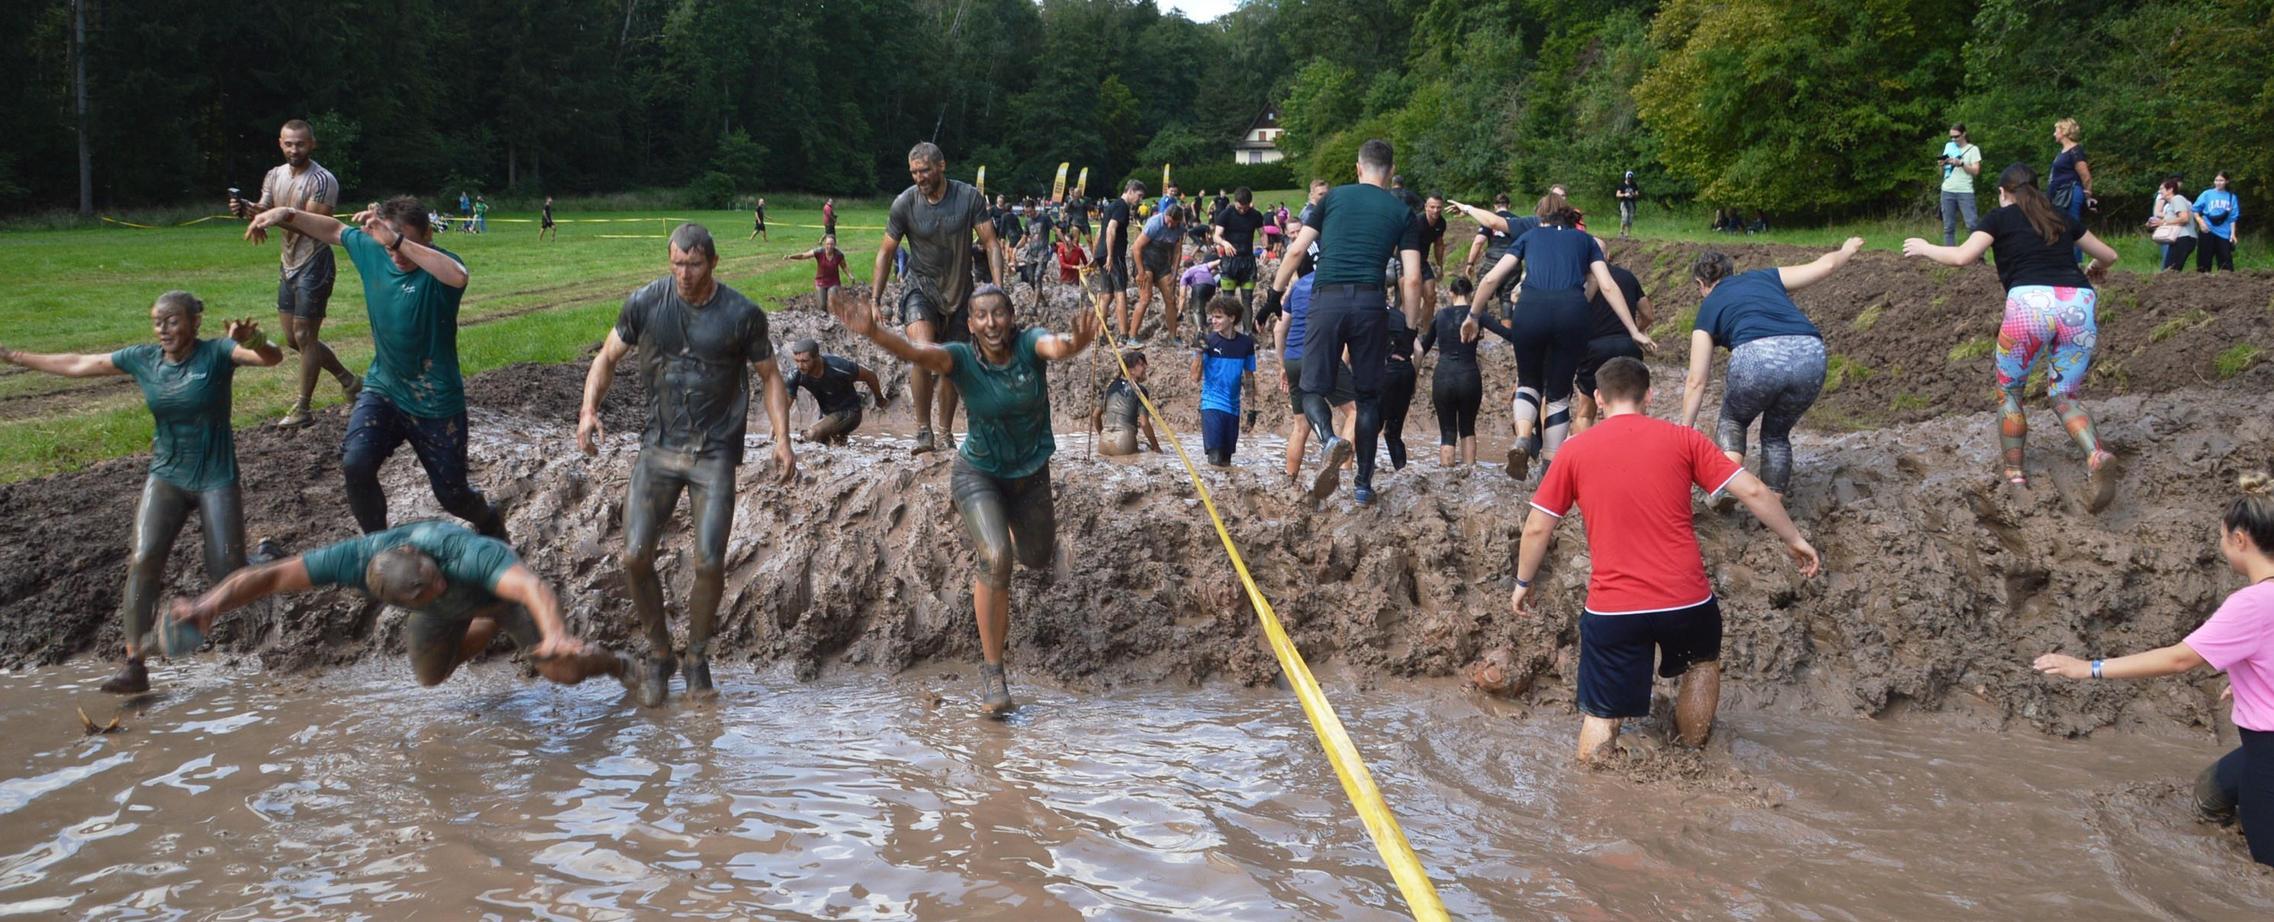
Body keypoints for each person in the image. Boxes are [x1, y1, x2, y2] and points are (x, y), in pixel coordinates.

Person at [1510, 357, 1821, 761]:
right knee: (1701, 665)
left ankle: (1595, 796)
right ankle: (1693, 757)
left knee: (1603, 714)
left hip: (1613, 608)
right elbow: (1755, 492)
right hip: (1686, 600)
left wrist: (1522, 583)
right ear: (1650, 396)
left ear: (1599, 399)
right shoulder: (1684, 439)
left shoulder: (1574, 450)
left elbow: (1537, 527)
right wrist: (1794, 538)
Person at [831, 284, 1097, 716]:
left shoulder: (1029, 346)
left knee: (1036, 556)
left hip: (1030, 476)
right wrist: (874, 332)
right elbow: (917, 353)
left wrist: (1076, 344)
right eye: (981, 316)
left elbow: (1055, 345)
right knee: (996, 557)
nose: (991, 324)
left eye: (999, 314)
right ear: (970, 324)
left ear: (1011, 318)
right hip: (978, 473)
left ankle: (1004, 542)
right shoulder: (959, 357)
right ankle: (994, 675)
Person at [0, 292, 283, 693]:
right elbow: (81, 364)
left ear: (195, 322)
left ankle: (265, 557)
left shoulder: (217, 353)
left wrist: (254, 340)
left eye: (172, 321)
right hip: (166, 475)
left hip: (215, 477)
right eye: (157, 322)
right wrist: (14, 356)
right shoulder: (144, 359)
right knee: (143, 556)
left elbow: (271, 359)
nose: (163, 330)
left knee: (226, 573)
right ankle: (134, 664)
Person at [575, 224, 793, 705]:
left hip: (713, 452)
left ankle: (696, 655)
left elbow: (770, 377)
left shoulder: (741, 314)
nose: (685, 274)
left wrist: (781, 438)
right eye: (677, 264)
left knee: (710, 561)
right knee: (634, 555)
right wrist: (590, 410)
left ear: (713, 263)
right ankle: (659, 654)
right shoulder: (646, 303)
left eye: (694, 265)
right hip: (657, 446)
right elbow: (606, 358)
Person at [2031, 473, 2274, 866]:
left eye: (2221, 536)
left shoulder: (2251, 604)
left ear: (2240, 540)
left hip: (2268, 748)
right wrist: (2251, 683)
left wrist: (2087, 668)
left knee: (2265, 862)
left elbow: (2179, 659)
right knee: (2210, 794)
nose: (2221, 544)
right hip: (2261, 743)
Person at [246, 196, 511, 539]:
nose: (397, 256)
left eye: (407, 245)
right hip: (384, 388)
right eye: (390, 249)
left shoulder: (439, 267)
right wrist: (289, 214)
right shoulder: (373, 251)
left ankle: (489, 521)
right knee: (356, 463)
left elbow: (458, 276)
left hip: (435, 400)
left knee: (452, 496)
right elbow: (335, 230)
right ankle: (379, 547)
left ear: (428, 235)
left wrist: (397, 242)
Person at [170, 520, 635, 691]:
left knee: (561, 671)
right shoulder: (354, 560)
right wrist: (208, 606)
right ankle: (482, 627)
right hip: (446, 614)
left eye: (437, 581)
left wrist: (555, 635)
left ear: (419, 557)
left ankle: (618, 664)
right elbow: (270, 575)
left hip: (503, 598)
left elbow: (533, 588)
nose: (437, 584)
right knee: (431, 676)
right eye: (426, 592)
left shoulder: (461, 553)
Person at [1902, 163, 2123, 511]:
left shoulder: (1999, 217)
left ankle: (2016, 474)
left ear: (2003, 192)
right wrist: (2096, 271)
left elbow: (1962, 257)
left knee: (2009, 390)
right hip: (2077, 302)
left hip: (2028, 304)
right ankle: (2095, 454)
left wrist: (1926, 247)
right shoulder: (2060, 215)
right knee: (2064, 393)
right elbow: (2109, 256)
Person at [1265, 142, 1425, 505]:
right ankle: (1363, 485)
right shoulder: (1402, 213)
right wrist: (1411, 329)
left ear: (1358, 168)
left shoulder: (1332, 199)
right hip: (1371, 304)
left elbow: (1295, 250)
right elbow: (1411, 279)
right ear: (1390, 169)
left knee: (1310, 387)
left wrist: (1274, 295)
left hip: (1327, 299)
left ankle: (1328, 440)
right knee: (1368, 399)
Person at [1470, 197, 1654, 480]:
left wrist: (1473, 315)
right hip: (1572, 312)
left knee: (1529, 381)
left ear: (1540, 216)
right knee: (1557, 393)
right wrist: (1633, 330)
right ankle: (1550, 466)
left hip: (1530, 310)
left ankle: (1522, 437)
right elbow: (1606, 284)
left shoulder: (1529, 237)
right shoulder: (1586, 241)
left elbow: (1491, 279)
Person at [1678, 240, 1858, 501]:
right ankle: (1772, 507)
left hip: (1759, 355)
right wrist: (1847, 250)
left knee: (1733, 422)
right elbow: (1826, 266)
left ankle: (1727, 487)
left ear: (1700, 284)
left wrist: (1685, 428)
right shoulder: (1764, 277)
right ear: (1731, 272)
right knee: (1776, 435)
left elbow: (1697, 380)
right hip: (1811, 354)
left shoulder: (1708, 307)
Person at [871, 142, 1006, 456]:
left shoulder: (968, 197)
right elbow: (886, 252)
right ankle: (923, 430)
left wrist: (997, 288)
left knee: (950, 365)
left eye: (926, 170)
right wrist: (875, 298)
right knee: (922, 352)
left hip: (960, 291)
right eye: (915, 172)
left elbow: (991, 243)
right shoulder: (904, 203)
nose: (920, 178)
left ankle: (945, 433)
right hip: (921, 287)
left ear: (941, 166)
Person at [231, 118, 359, 429]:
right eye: (288, 143)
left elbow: (317, 226)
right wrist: (248, 209)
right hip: (287, 262)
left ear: (312, 144)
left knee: (305, 336)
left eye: (300, 143)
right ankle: (351, 382)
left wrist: (274, 217)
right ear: (280, 143)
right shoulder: (274, 175)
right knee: (293, 339)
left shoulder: (322, 180)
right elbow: (265, 206)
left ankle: (303, 407)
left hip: (315, 262)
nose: (294, 149)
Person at [1274, 261, 1356, 485]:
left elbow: (1279, 328)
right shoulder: (1336, 284)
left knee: (1300, 426)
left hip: (1292, 358)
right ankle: (1344, 474)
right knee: (1355, 411)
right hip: (1319, 355)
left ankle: (1289, 483)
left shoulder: (1298, 286)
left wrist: (1283, 364)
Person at [1572, 257, 1652, 435]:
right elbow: (1647, 314)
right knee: (1633, 408)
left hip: (1593, 348)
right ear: (1607, 256)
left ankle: (1583, 459)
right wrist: (1638, 332)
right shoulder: (1627, 277)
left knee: (1585, 413)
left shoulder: (1580, 279)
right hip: (1627, 346)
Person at [1419, 276, 1484, 467]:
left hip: (1443, 378)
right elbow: (1508, 334)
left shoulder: (1440, 316)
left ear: (1451, 294)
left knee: (1447, 432)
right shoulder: (1477, 315)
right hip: (1469, 377)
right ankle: (1470, 478)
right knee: (1468, 428)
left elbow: (1423, 347)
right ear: (1471, 294)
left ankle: (1446, 481)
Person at [1193, 296, 1258, 467]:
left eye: (1219, 317)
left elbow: (1249, 378)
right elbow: (1194, 377)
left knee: (1226, 461)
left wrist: (1251, 410)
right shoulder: (1208, 341)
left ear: (1232, 318)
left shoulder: (1246, 344)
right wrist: (1199, 352)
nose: (1214, 321)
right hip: (1211, 405)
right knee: (1214, 459)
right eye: (1213, 317)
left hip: (1233, 409)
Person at [784, 339, 886, 444]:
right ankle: (839, 440)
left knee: (812, 433)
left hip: (850, 412)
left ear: (816, 358)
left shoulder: (839, 367)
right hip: (826, 415)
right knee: (824, 445)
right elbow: (786, 404)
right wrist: (775, 432)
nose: (800, 366)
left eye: (805, 361)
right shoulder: (796, 374)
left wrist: (879, 399)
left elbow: (870, 376)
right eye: (797, 361)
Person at [1211, 188, 1271, 327]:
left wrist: (1265, 249)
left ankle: (1247, 332)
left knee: (1247, 299)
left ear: (1250, 203)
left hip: (1248, 261)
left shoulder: (1255, 215)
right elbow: (1216, 235)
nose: (1242, 210)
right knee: (1228, 300)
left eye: (1245, 208)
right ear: (1235, 202)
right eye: (1239, 207)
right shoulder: (1226, 214)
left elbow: (1262, 234)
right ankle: (1227, 331)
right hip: (1230, 261)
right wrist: (1224, 243)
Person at [1130, 204, 1186, 343]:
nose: (1170, 225)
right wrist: (1141, 272)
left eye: (1173, 223)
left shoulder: (1180, 229)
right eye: (1168, 221)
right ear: (1165, 216)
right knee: (1145, 298)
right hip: (1145, 261)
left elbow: (1178, 251)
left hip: (1162, 263)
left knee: (1171, 300)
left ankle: (1173, 336)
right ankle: (1132, 336)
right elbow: (1136, 248)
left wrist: (1174, 272)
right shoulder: (1154, 223)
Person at [1096, 181, 1142, 343]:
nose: (1140, 200)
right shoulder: (1122, 207)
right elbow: (1110, 229)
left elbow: (1099, 233)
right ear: (1130, 191)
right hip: (1113, 255)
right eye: (1139, 195)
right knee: (1120, 293)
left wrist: (1097, 254)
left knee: (1106, 295)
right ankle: (1124, 334)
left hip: (1101, 254)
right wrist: (1110, 255)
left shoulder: (1111, 206)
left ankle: (1101, 334)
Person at [1093, 351, 1162, 457]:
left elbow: (1095, 415)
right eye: (1141, 364)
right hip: (1124, 442)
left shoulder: (1110, 387)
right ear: (1131, 370)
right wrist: (1156, 447)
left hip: (1104, 442)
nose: (1145, 367)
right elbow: (1144, 423)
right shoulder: (1140, 391)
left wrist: (1103, 434)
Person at [1380, 294, 1418, 472]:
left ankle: (1363, 475)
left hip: (1384, 372)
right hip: (1406, 372)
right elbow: (1418, 350)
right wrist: (1414, 378)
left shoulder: (1369, 314)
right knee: (1393, 432)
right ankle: (1402, 472)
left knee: (1371, 427)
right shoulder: (1400, 316)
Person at [2048, 119, 2095, 261]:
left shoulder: (2075, 151)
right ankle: (2064, 259)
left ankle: (2076, 262)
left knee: (2072, 226)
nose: (2054, 133)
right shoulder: (2063, 152)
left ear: (2063, 132)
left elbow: (2085, 175)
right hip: (2060, 193)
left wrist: (2087, 194)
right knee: (2060, 227)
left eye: (2056, 130)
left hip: (2070, 193)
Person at [1939, 124, 1983, 246]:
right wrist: (1942, 164)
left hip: (1965, 191)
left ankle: (1977, 256)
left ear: (1964, 134)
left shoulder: (1973, 149)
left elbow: (1976, 171)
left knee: (1972, 225)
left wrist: (1961, 163)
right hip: (1947, 189)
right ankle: (1950, 255)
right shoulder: (1949, 147)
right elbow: (1942, 173)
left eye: (1956, 136)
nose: (1953, 139)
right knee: (1948, 227)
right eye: (1951, 137)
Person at [787, 234, 849, 311]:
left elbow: (844, 266)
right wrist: (791, 256)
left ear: (835, 245)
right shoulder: (819, 252)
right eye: (828, 244)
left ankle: (836, 314)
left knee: (832, 298)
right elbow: (803, 255)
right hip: (821, 282)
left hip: (834, 282)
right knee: (822, 306)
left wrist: (849, 275)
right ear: (825, 244)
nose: (829, 246)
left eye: (831, 244)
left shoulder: (839, 255)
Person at [2152, 176, 2199, 271]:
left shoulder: (2177, 199)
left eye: (2162, 189)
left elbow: (2184, 218)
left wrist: (2164, 222)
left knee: (2170, 270)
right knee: (2171, 269)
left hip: (2184, 238)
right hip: (2178, 239)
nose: (2159, 192)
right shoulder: (2170, 205)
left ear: (2170, 189)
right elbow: (2173, 220)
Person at [2197, 171, 2241, 272]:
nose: (2218, 182)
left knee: (2225, 260)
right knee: (2204, 260)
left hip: (2224, 232)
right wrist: (2200, 221)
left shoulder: (2231, 197)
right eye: (2216, 180)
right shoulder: (2207, 194)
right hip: (2207, 230)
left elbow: (2233, 218)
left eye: (2221, 180)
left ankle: (2227, 282)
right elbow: (2195, 210)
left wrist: (2233, 234)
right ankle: (2202, 281)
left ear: (2227, 181)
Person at [1615, 171, 1641, 239]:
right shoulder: (1622, 185)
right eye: (1628, 178)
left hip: (1631, 203)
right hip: (1624, 202)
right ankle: (1621, 232)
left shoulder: (1634, 185)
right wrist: (1624, 195)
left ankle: (1627, 234)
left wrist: (1633, 194)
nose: (1629, 180)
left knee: (1630, 218)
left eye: (1631, 178)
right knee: (1625, 217)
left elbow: (1637, 194)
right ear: (1626, 177)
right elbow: (1617, 194)